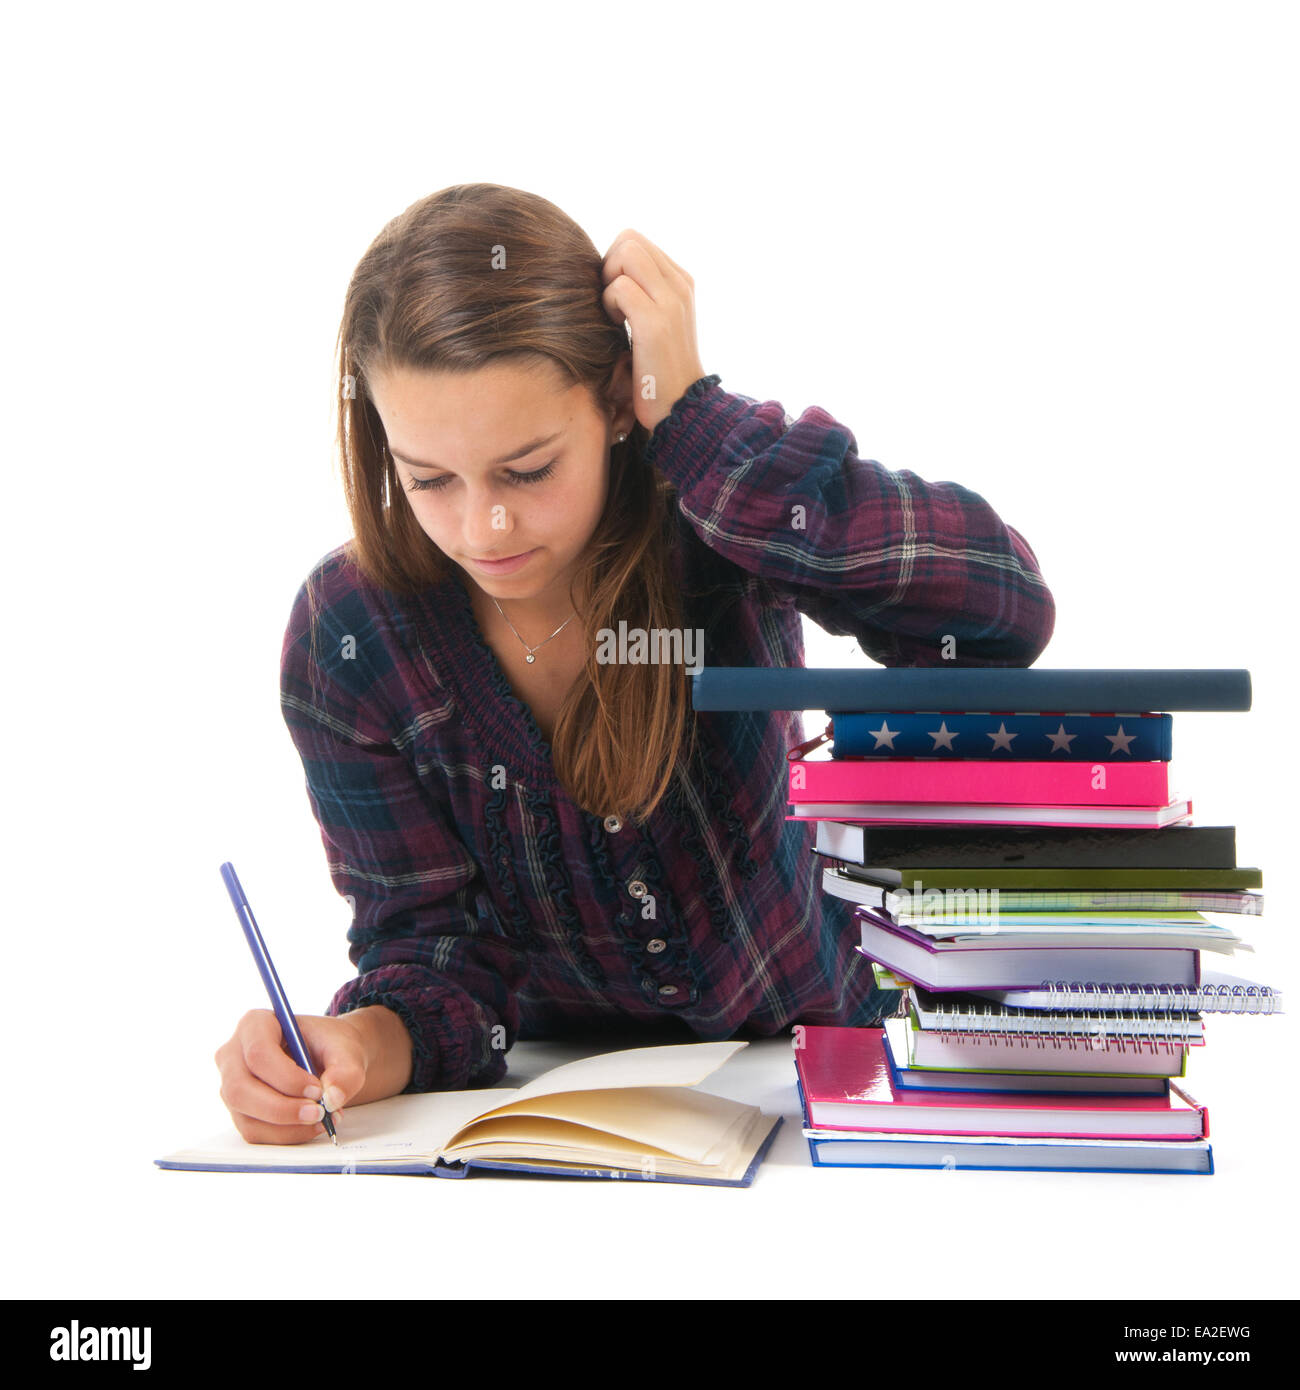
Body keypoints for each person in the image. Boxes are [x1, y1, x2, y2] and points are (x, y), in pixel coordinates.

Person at [214, 182, 1056, 1144]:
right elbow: (434, 954)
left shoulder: (717, 512)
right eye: (429, 481)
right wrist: (357, 1045)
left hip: (823, 1087)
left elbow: (1001, 611)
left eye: (528, 470)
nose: (482, 526)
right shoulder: (348, 637)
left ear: (617, 402)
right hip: (545, 1120)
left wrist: (699, 423)